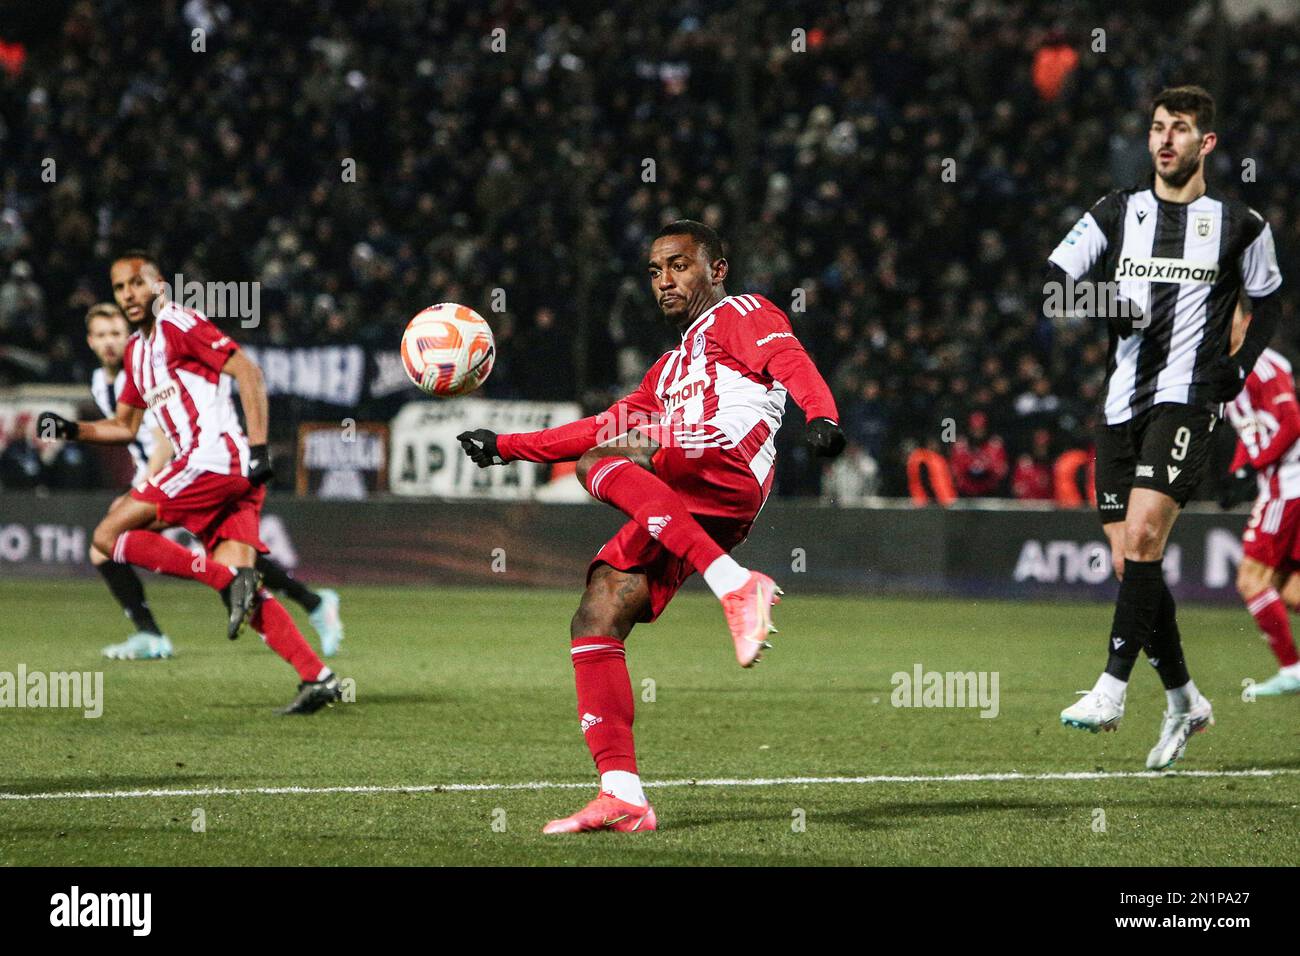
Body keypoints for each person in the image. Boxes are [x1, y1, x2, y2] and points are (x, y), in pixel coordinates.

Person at [457, 220, 844, 832]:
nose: (666, 280)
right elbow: (599, 425)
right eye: (656, 270)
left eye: (680, 265)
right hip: (684, 490)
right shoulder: (666, 370)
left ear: (717, 269)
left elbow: (788, 358)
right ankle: (623, 794)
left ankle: (736, 584)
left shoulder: (743, 311)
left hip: (724, 461)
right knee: (599, 608)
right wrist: (505, 445)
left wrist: (821, 414)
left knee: (604, 460)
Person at [1047, 86, 1283, 768]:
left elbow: (1265, 300)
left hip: (1186, 401)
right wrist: (1105, 303)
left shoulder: (1241, 225)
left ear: (1205, 143)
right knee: (1131, 563)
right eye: (1156, 128)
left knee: (1146, 534)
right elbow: (1055, 282)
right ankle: (1185, 700)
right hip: (1120, 405)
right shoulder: (1116, 212)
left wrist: (1235, 372)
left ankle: (1111, 688)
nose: (1164, 141)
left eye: (1179, 130)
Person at [38, 251, 343, 714]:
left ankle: (224, 579)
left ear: (158, 284)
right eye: (120, 288)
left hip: (213, 461)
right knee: (248, 594)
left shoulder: (178, 322)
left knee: (107, 536)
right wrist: (71, 430)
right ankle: (316, 677)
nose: (129, 294)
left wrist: (260, 448)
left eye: (138, 283)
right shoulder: (137, 352)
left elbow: (247, 370)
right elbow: (123, 425)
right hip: (221, 472)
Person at [85, 302, 345, 660]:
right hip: (174, 473)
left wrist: (141, 487)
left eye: (115, 333)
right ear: (90, 342)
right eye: (101, 335)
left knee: (108, 543)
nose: (109, 342)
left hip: (191, 470)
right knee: (231, 559)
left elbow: (162, 438)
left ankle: (152, 634)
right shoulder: (101, 383)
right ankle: (312, 606)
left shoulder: (145, 365)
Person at [1223, 309, 1300, 696]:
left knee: (1250, 580)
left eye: (1228, 313)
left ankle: (1292, 669)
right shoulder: (1228, 369)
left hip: (1286, 487)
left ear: (1247, 320)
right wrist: (1239, 470)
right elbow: (1251, 428)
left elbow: (1291, 423)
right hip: (1282, 485)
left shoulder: (1264, 368)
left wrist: (1256, 465)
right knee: (1290, 591)